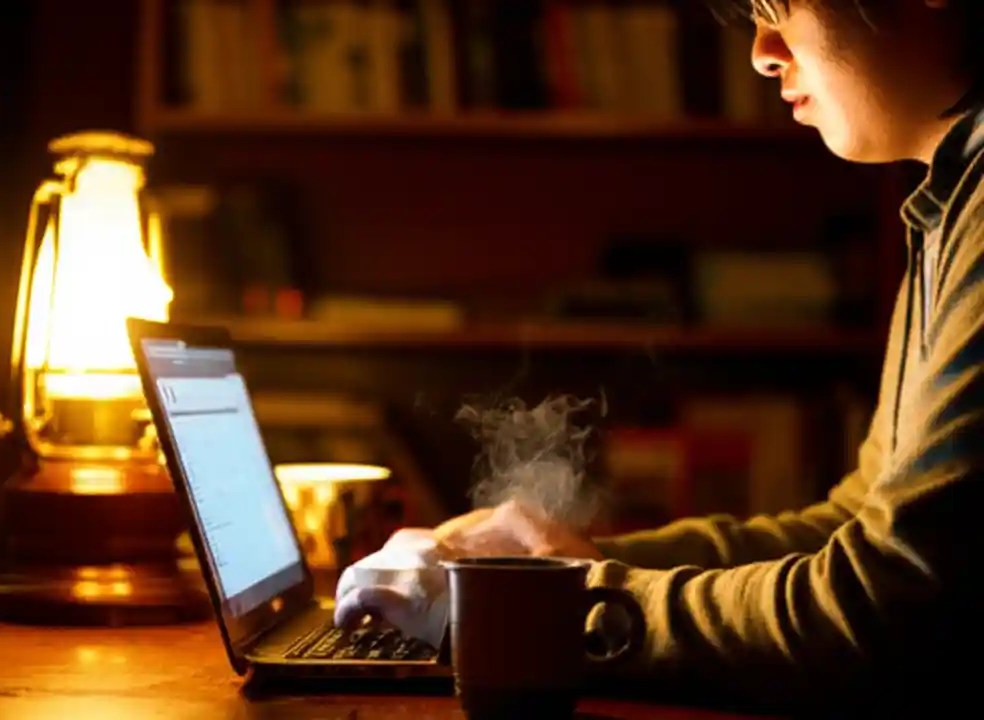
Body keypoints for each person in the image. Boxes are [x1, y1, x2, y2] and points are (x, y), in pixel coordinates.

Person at [335, 0, 984, 713]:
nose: (762, 53)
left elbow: (888, 610)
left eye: (783, 8)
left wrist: (540, 616)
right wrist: (545, 573)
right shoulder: (949, 199)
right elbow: (855, 526)